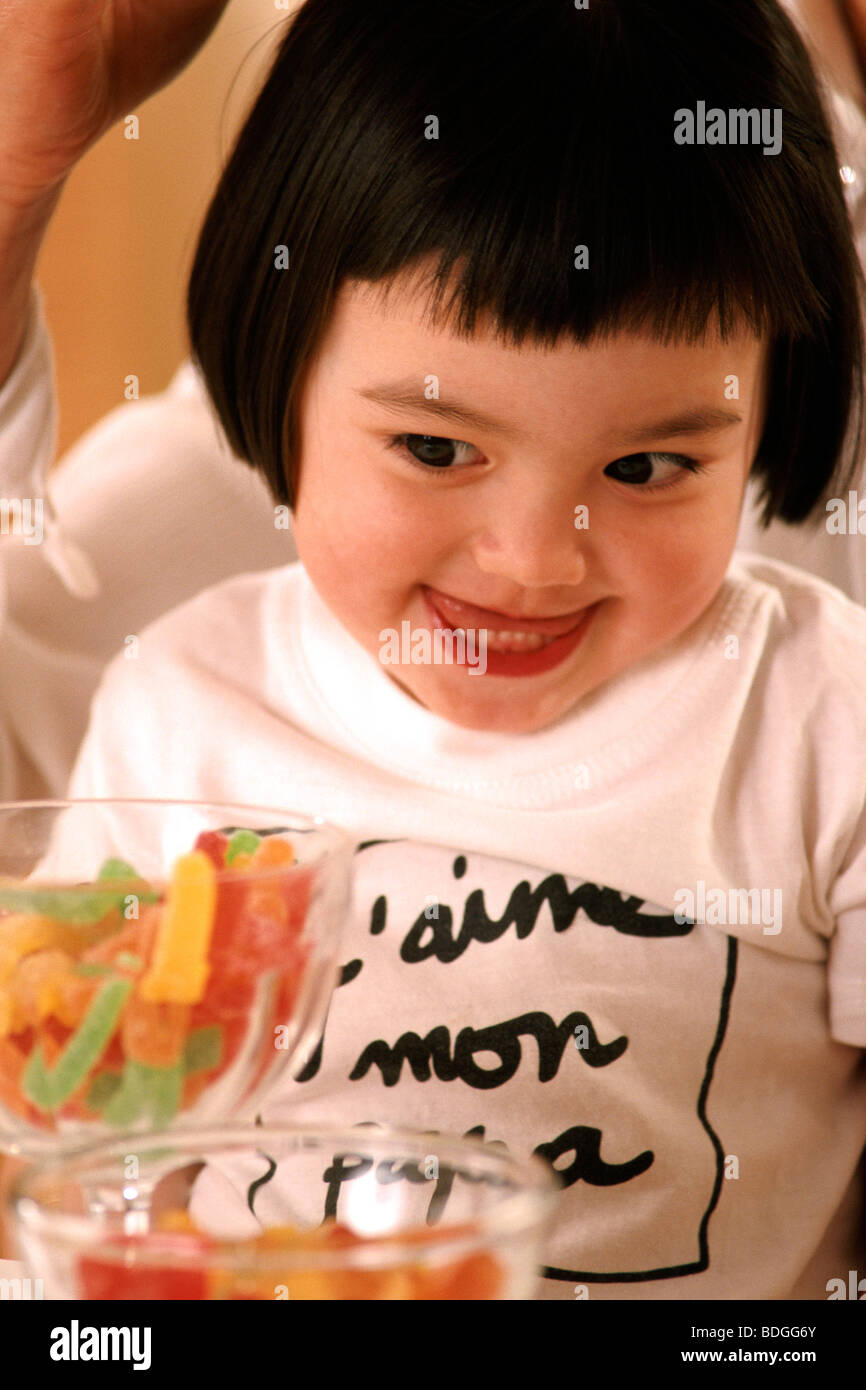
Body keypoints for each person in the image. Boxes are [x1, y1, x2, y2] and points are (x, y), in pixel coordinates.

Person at [1, 0, 864, 1300]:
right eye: (434, 448)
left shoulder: (820, 718)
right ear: (275, 371)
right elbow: (100, 1155)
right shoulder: (177, 707)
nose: (533, 558)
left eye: (646, 465)